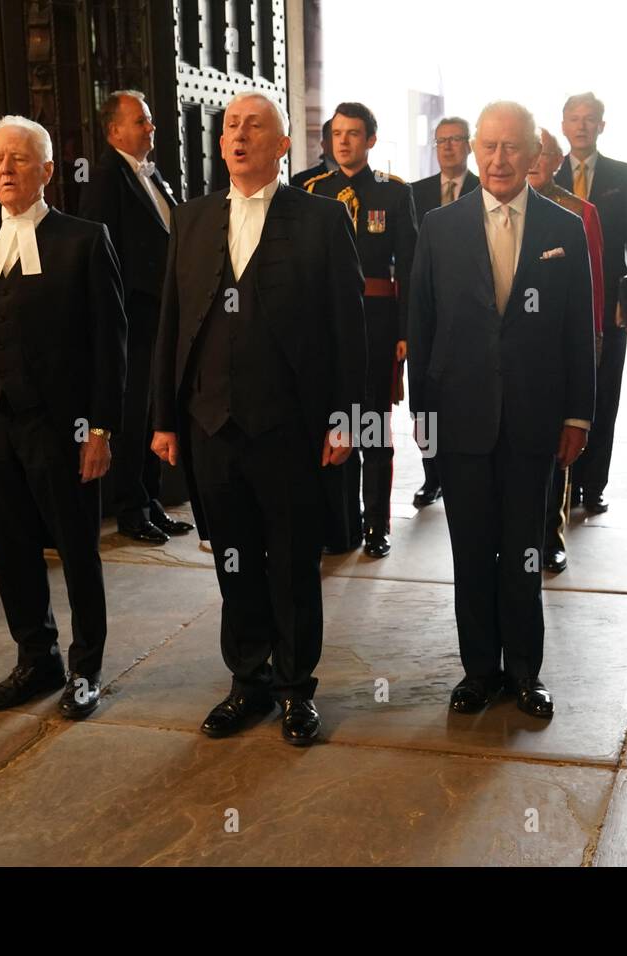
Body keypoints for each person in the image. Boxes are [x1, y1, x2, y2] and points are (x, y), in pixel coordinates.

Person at [150, 91, 367, 745]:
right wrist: (164, 418)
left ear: (282, 145)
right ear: (221, 145)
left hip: (291, 427)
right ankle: (248, 683)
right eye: (231, 127)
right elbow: (170, 323)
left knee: (294, 562)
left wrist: (346, 419)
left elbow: (347, 329)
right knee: (235, 561)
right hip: (211, 424)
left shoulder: (322, 220)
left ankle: (297, 690)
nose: (240, 135)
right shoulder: (189, 221)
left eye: (256, 126)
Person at [409, 101, 595, 719]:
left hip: (533, 420)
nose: (497, 159)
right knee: (471, 550)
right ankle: (478, 671)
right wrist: (422, 414)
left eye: (511, 147)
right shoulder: (438, 226)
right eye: (488, 146)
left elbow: (578, 333)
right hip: (461, 417)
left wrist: (578, 415)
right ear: (474, 149)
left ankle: (524, 672)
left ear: (535, 155)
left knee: (523, 551)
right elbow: (422, 325)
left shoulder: (564, 231)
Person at [0, 116, 127, 719]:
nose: (6, 169)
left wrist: (100, 428)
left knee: (78, 548)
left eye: (20, 159)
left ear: (48, 171)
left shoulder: (84, 239)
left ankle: (86, 668)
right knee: (11, 546)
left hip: (62, 426)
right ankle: (36, 658)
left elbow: (111, 344)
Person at [79, 90, 193, 545]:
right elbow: (101, 253)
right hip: (133, 316)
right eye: (142, 121)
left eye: (150, 120)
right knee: (131, 415)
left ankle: (152, 502)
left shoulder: (153, 174)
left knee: (153, 413)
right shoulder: (105, 178)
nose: (152, 128)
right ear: (114, 131)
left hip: (162, 314)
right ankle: (130, 510)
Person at [305, 102, 418, 558]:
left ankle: (376, 525)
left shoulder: (393, 193)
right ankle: (341, 524)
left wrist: (407, 330)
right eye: (337, 134)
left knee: (372, 426)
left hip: (376, 322)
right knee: (336, 421)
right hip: (325, 324)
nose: (345, 141)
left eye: (354, 133)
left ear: (371, 140)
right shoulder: (311, 190)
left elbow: (410, 267)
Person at [556, 92, 627, 516]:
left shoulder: (622, 174)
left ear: (601, 126)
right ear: (563, 125)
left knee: (604, 391)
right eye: (574, 119)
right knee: (563, 393)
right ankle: (564, 482)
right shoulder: (545, 172)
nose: (581, 126)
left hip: (609, 301)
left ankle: (593, 485)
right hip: (559, 303)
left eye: (589, 119)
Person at [527, 128, 605, 573]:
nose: (536, 159)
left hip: (557, 352)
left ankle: (550, 536)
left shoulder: (579, 212)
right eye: (529, 150)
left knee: (556, 451)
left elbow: (590, 291)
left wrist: (590, 350)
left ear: (557, 160)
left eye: (545, 152)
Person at [408, 115, 481, 507]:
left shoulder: (482, 188)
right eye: (441, 141)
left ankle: (461, 468)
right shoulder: (414, 192)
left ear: (468, 146)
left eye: (455, 140)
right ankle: (431, 474)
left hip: (466, 308)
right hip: (426, 307)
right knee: (425, 393)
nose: (448, 147)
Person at [291, 119, 337, 188]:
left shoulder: (358, 179)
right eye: (337, 135)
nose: (344, 141)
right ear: (324, 145)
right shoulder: (302, 181)